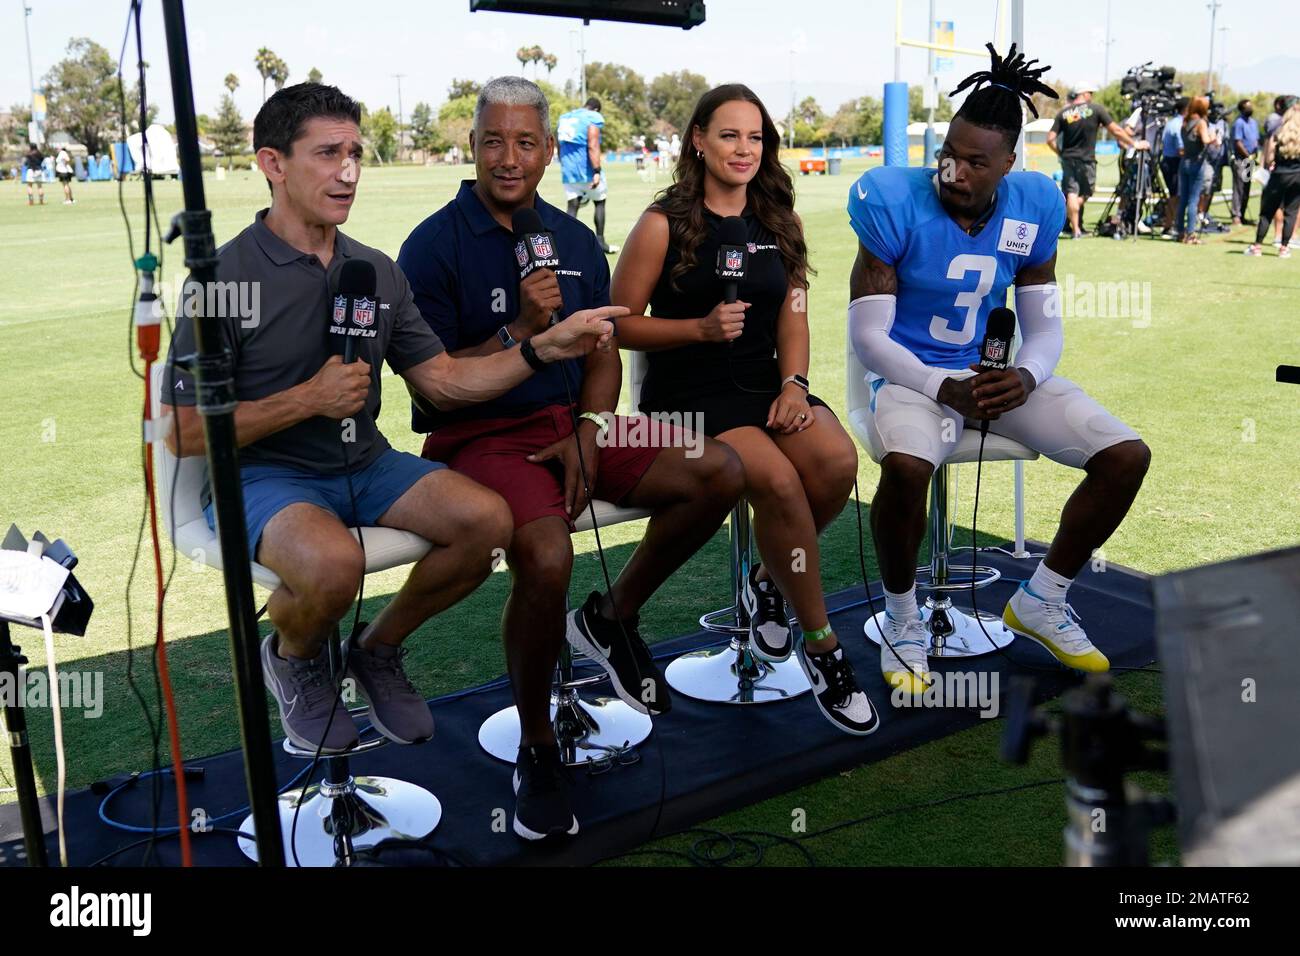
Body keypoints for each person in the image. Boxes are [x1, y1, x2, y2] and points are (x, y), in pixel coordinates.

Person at [161, 83, 616, 759]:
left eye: (353, 153)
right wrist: (306, 400)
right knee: (334, 565)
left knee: (487, 523)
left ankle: (377, 649)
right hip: (265, 474)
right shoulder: (223, 276)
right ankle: (291, 655)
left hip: (366, 464)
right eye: (326, 154)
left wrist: (535, 348)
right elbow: (184, 432)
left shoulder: (373, 271)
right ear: (273, 164)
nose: (347, 171)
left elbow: (445, 381)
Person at [398, 77, 745, 841]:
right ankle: (538, 745)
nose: (509, 157)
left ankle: (612, 615)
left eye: (526, 142)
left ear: (550, 151)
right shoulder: (431, 245)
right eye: (494, 140)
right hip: (482, 437)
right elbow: (437, 391)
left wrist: (592, 428)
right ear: (474, 146)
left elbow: (605, 350)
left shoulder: (576, 237)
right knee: (548, 553)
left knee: (717, 467)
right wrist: (520, 332)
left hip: (578, 425)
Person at [847, 43, 1151, 691]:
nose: (953, 172)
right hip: (909, 376)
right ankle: (902, 618)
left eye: (975, 162)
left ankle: (1041, 599)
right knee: (905, 468)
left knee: (1126, 456)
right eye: (947, 155)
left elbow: (1043, 327)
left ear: (1009, 163)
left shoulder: (1032, 204)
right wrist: (941, 387)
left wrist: (1026, 376)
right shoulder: (891, 199)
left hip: (987, 376)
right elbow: (869, 337)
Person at [610, 84, 878, 736]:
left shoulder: (776, 217)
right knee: (781, 483)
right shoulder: (662, 222)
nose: (744, 149)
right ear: (698, 140)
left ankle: (767, 582)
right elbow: (616, 325)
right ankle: (824, 650)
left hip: (765, 386)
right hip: (690, 396)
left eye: (755, 137)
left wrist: (795, 384)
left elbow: (794, 317)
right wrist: (696, 330)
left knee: (836, 462)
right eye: (729, 135)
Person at [1046, 81, 1148, 238]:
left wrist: (1060, 153)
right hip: (1086, 159)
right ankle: (1073, 217)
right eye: (1091, 94)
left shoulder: (1063, 113)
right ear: (1085, 94)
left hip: (1067, 158)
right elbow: (1116, 130)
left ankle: (1076, 230)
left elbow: (1050, 139)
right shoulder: (1096, 109)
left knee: (1071, 193)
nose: (1091, 97)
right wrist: (1134, 143)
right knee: (1087, 192)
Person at [556, 96, 617, 253]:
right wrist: (596, 170)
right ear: (596, 109)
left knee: (572, 206)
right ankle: (601, 242)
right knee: (600, 202)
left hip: (568, 169)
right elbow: (593, 144)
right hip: (587, 169)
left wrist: (564, 164)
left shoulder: (565, 117)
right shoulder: (592, 117)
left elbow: (558, 143)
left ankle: (565, 244)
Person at [1244, 102, 1300, 258]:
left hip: (1280, 175)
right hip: (1297, 176)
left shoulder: (1279, 134)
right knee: (1292, 212)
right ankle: (1284, 248)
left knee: (1267, 211)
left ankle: (1257, 246)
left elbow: (1268, 159)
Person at [1176, 97, 1216, 244]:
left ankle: (1180, 232)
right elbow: (1206, 140)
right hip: (1196, 164)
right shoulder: (1201, 123)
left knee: (1183, 200)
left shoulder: (1185, 122)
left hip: (1184, 162)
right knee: (1193, 200)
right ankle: (1191, 234)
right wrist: (1214, 136)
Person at [1160, 96, 1190, 237]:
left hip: (1169, 160)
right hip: (1173, 162)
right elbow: (1181, 149)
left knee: (1176, 195)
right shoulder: (1178, 124)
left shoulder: (1172, 122)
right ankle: (1169, 225)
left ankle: (1171, 224)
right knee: (1175, 196)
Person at [1230, 99, 1260, 226]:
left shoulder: (1253, 123)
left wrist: (1255, 155)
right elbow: (1238, 142)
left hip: (1250, 160)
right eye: (1248, 107)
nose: (1250, 108)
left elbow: (1256, 140)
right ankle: (1236, 215)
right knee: (1239, 188)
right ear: (1242, 109)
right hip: (1241, 160)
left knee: (1246, 188)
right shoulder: (1239, 123)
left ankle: (1242, 214)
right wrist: (1248, 156)